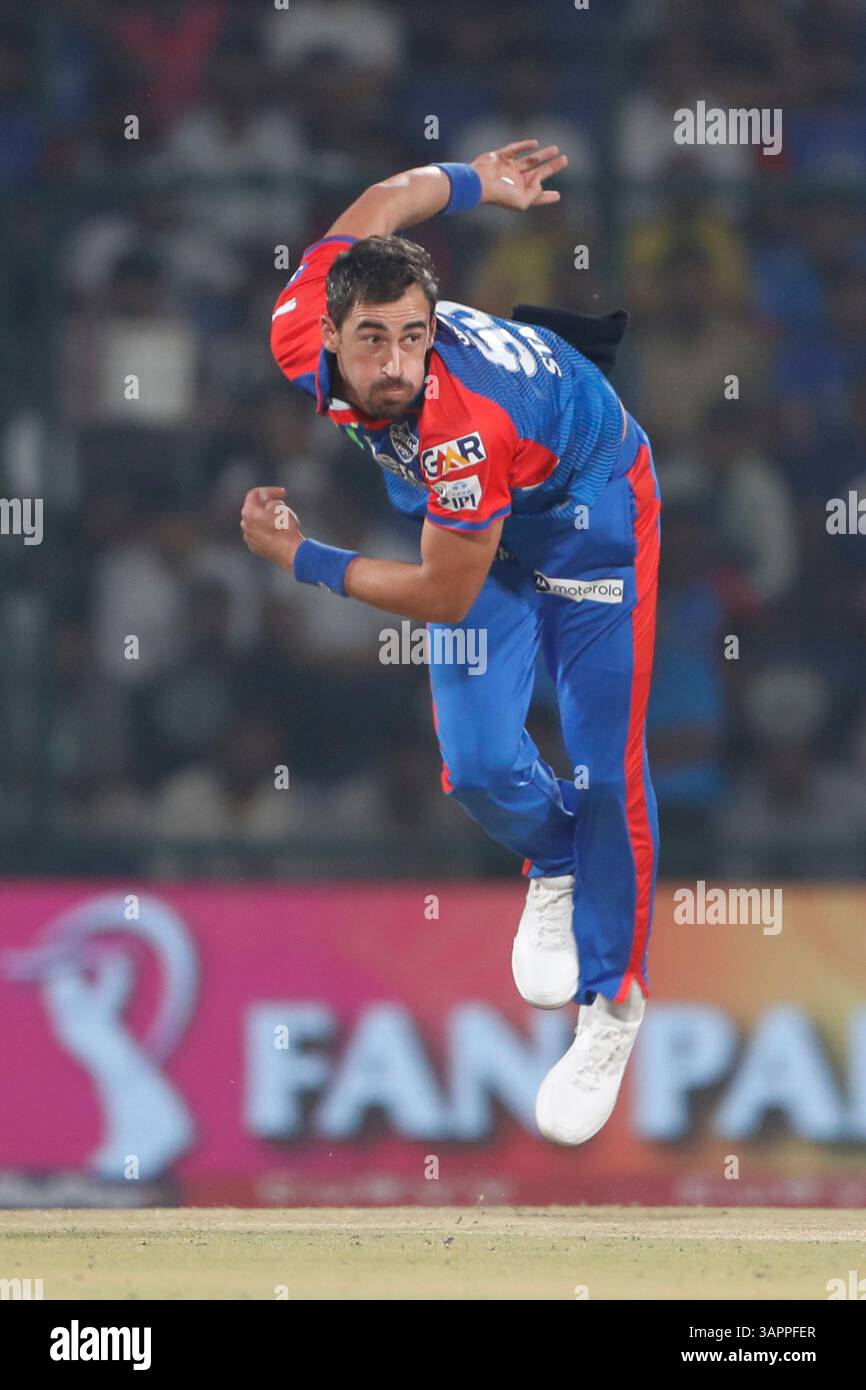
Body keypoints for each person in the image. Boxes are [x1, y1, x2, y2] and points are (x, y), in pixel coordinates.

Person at [241, 142, 661, 1145]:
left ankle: (611, 1004)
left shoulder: (456, 427)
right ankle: (557, 857)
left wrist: (300, 556)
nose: (393, 364)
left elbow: (439, 590)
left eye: (413, 339)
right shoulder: (295, 321)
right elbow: (387, 196)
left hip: (587, 513)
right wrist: (478, 178)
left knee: (608, 768)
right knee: (476, 765)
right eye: (373, 339)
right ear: (325, 328)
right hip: (478, 526)